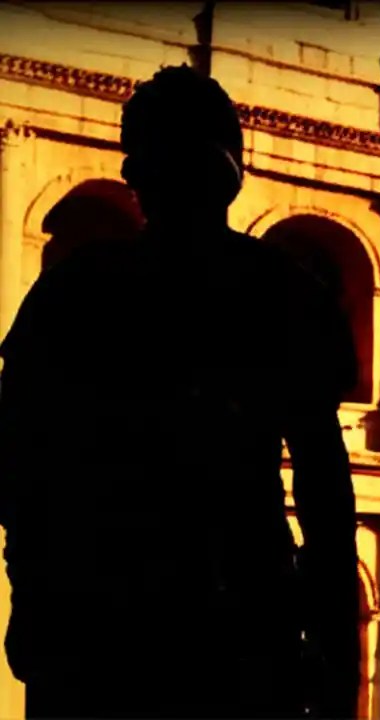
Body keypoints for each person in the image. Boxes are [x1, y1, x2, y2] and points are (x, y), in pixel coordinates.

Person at [0, 65, 361, 719]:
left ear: (136, 175)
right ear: (234, 174)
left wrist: (33, 603)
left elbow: (23, 468)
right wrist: (339, 661)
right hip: (239, 627)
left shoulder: (74, 291)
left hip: (103, 628)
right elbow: (326, 497)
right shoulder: (285, 291)